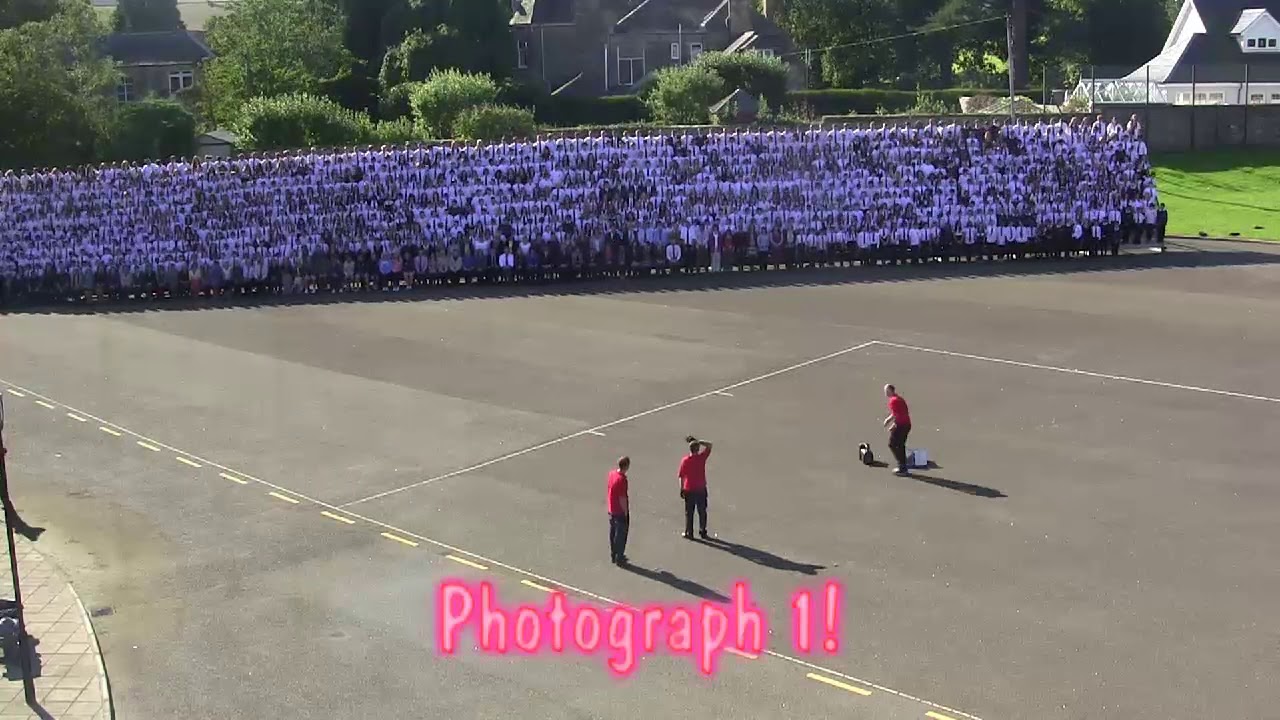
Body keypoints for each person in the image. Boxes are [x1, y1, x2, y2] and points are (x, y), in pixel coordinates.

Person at [678, 436, 712, 539]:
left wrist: (681, 489)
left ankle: (689, 532)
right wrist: (699, 441)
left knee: (689, 513)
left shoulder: (685, 461)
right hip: (701, 488)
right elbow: (710, 445)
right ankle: (703, 531)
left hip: (689, 489)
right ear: (698, 449)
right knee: (702, 511)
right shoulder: (701, 458)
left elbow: (681, 476)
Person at [882, 384, 912, 476]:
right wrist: (888, 420)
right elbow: (897, 413)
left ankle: (902, 467)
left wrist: (893, 425)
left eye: (887, 391)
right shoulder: (898, 398)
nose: (885, 393)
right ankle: (903, 466)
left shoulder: (893, 401)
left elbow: (898, 415)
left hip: (901, 425)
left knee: (892, 444)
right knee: (900, 445)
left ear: (891, 391)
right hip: (907, 424)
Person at [607, 456, 631, 566]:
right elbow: (622, 498)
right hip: (619, 511)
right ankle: (619, 557)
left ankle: (613, 554)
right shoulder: (622, 480)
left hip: (611, 508)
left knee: (613, 532)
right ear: (626, 466)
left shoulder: (611, 474)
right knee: (621, 535)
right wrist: (625, 512)